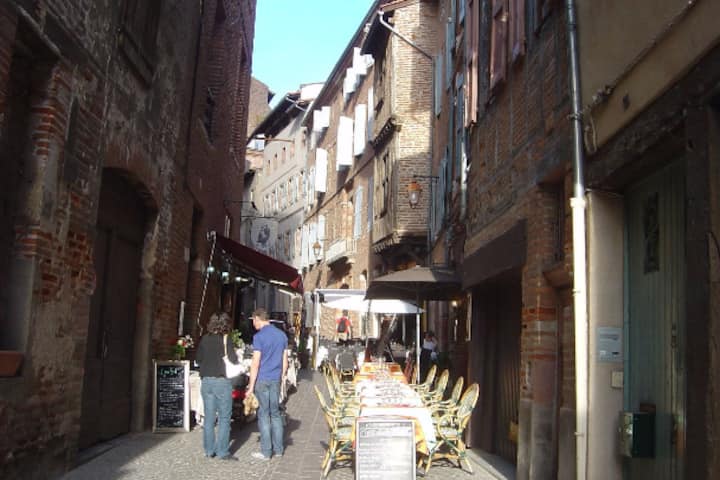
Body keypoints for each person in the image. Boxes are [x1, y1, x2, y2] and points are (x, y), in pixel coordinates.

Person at [195, 312, 239, 460]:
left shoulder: (204, 339)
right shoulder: (226, 340)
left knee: (208, 418)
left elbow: (198, 359)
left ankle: (208, 450)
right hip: (221, 381)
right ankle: (222, 452)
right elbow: (233, 360)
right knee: (224, 418)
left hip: (206, 381)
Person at [246, 307, 288, 460]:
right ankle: (278, 449)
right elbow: (285, 361)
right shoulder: (281, 335)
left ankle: (266, 451)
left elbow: (255, 363)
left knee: (264, 414)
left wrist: (250, 386)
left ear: (258, 319)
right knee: (275, 413)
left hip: (262, 379)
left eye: (253, 321)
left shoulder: (259, 337)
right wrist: (281, 377)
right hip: (275, 378)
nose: (253, 324)